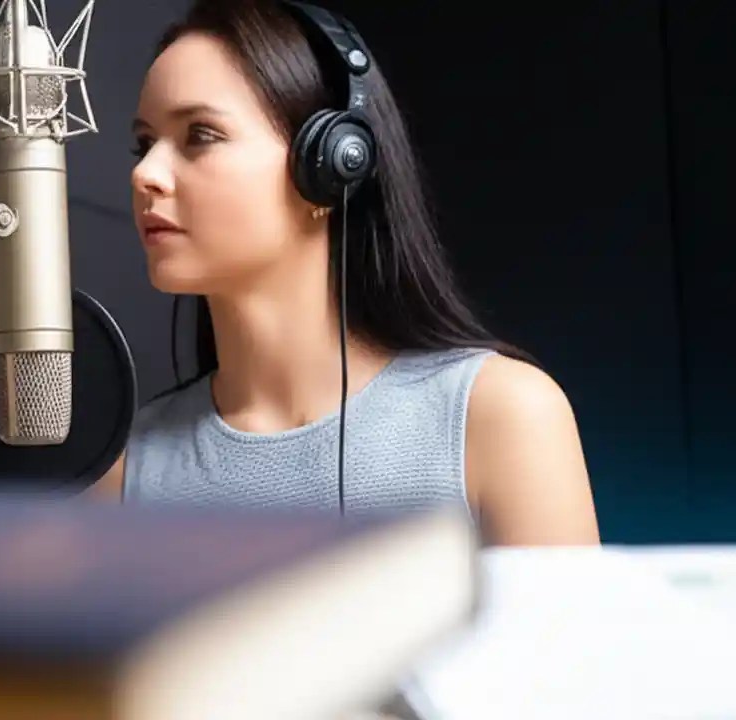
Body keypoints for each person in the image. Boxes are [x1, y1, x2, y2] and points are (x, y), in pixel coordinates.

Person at [88, 0, 599, 546]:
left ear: (332, 165)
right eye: (144, 144)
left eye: (200, 135)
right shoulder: (123, 471)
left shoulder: (502, 415)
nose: (146, 173)